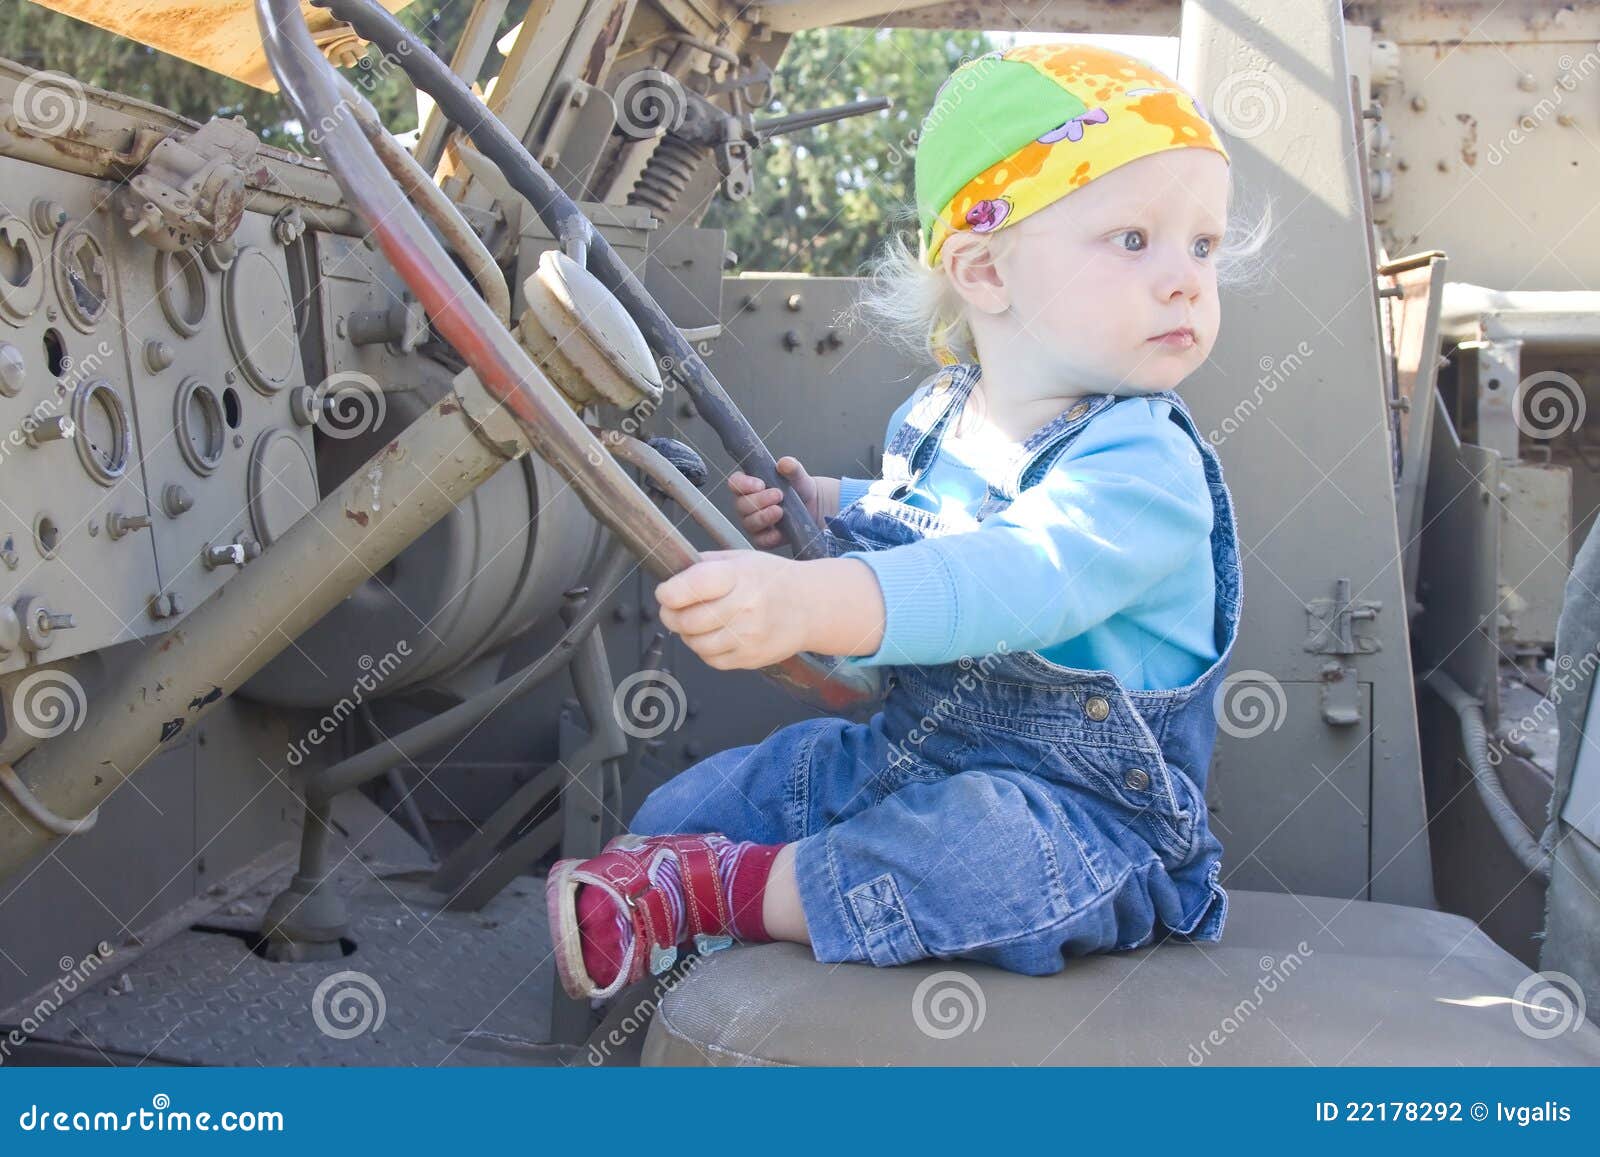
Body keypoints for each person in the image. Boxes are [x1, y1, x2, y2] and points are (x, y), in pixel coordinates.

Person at [546, 41, 1267, 1001]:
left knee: (977, 854)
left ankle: (731, 895)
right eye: (1135, 240)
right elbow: (920, 520)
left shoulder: (1147, 465)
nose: (1185, 278)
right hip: (910, 750)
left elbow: (1017, 574)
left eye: (1203, 246)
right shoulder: (938, 417)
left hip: (1089, 821)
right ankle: (683, 888)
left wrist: (815, 599)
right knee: (708, 797)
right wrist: (828, 508)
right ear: (983, 269)